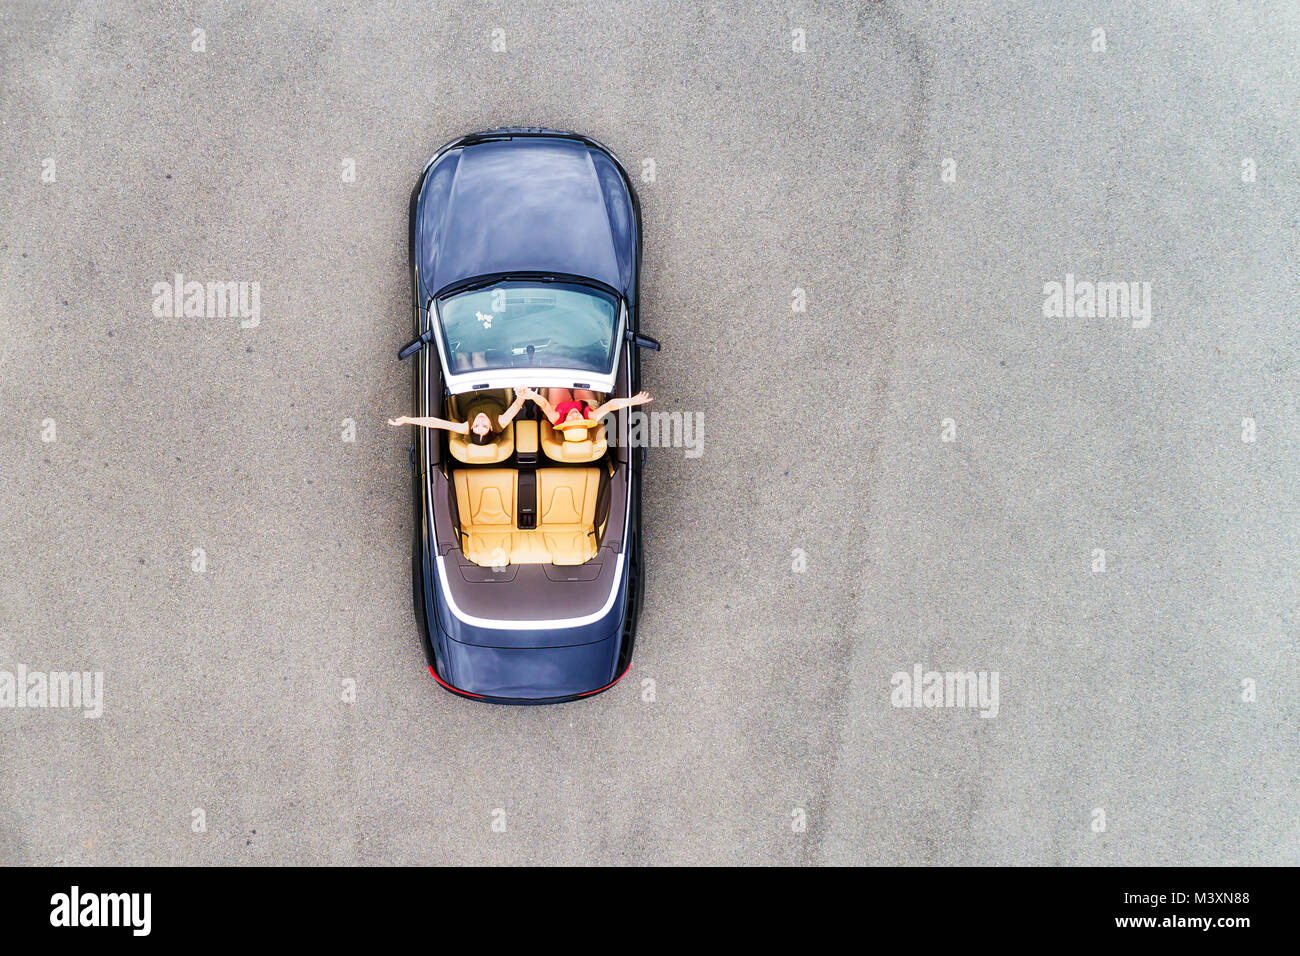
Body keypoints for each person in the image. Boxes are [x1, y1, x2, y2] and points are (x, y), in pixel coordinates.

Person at [388, 389, 528, 445]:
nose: (479, 421)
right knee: (479, 358)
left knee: (462, 359)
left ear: (471, 428)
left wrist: (407, 420)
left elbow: (435, 423)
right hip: (491, 391)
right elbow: (517, 405)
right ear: (491, 427)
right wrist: (522, 393)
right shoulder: (500, 422)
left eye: (476, 426)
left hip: (466, 393)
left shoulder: (465, 427)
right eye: (484, 426)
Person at [522, 387, 654, 437]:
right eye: (579, 419)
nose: (574, 415)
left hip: (560, 405)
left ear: (564, 424)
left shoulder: (555, 417)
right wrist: (633, 401)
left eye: (571, 420)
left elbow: (544, 403)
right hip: (585, 403)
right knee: (582, 381)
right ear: (585, 422)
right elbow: (610, 405)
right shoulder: (591, 417)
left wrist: (531, 395)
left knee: (558, 381)